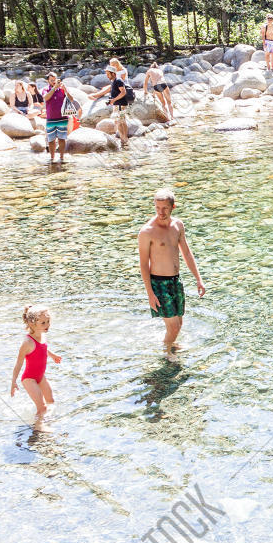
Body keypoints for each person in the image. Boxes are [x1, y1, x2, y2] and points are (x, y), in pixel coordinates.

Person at [138, 187, 206, 351]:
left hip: (176, 280)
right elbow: (143, 264)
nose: (160, 212)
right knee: (174, 326)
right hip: (159, 283)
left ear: (173, 207)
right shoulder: (147, 232)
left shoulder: (178, 225)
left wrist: (199, 279)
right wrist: (150, 293)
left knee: (179, 323)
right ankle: (167, 354)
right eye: (157, 208)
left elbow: (187, 253)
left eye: (164, 208)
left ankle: (171, 346)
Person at [9, 304, 61, 419]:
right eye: (43, 323)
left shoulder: (42, 335)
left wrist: (52, 355)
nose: (47, 325)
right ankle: (38, 429)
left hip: (40, 376)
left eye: (48, 321)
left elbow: (42, 348)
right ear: (32, 323)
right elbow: (19, 363)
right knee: (42, 407)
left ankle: (49, 421)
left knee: (50, 401)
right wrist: (13, 381)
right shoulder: (27, 342)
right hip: (29, 379)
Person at [91, 64, 133, 148]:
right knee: (121, 121)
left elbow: (123, 92)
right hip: (118, 104)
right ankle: (124, 139)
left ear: (113, 73)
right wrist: (112, 100)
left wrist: (114, 100)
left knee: (120, 121)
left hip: (121, 105)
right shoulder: (114, 81)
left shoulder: (118, 80)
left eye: (108, 74)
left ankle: (123, 139)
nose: (107, 75)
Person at [43, 72, 80, 164]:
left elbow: (71, 99)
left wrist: (65, 90)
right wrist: (54, 89)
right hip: (51, 118)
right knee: (51, 140)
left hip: (62, 117)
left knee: (62, 138)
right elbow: (46, 98)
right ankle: (52, 158)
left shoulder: (62, 89)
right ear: (48, 80)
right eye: (51, 80)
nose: (54, 82)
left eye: (55, 80)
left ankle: (62, 157)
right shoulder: (46, 89)